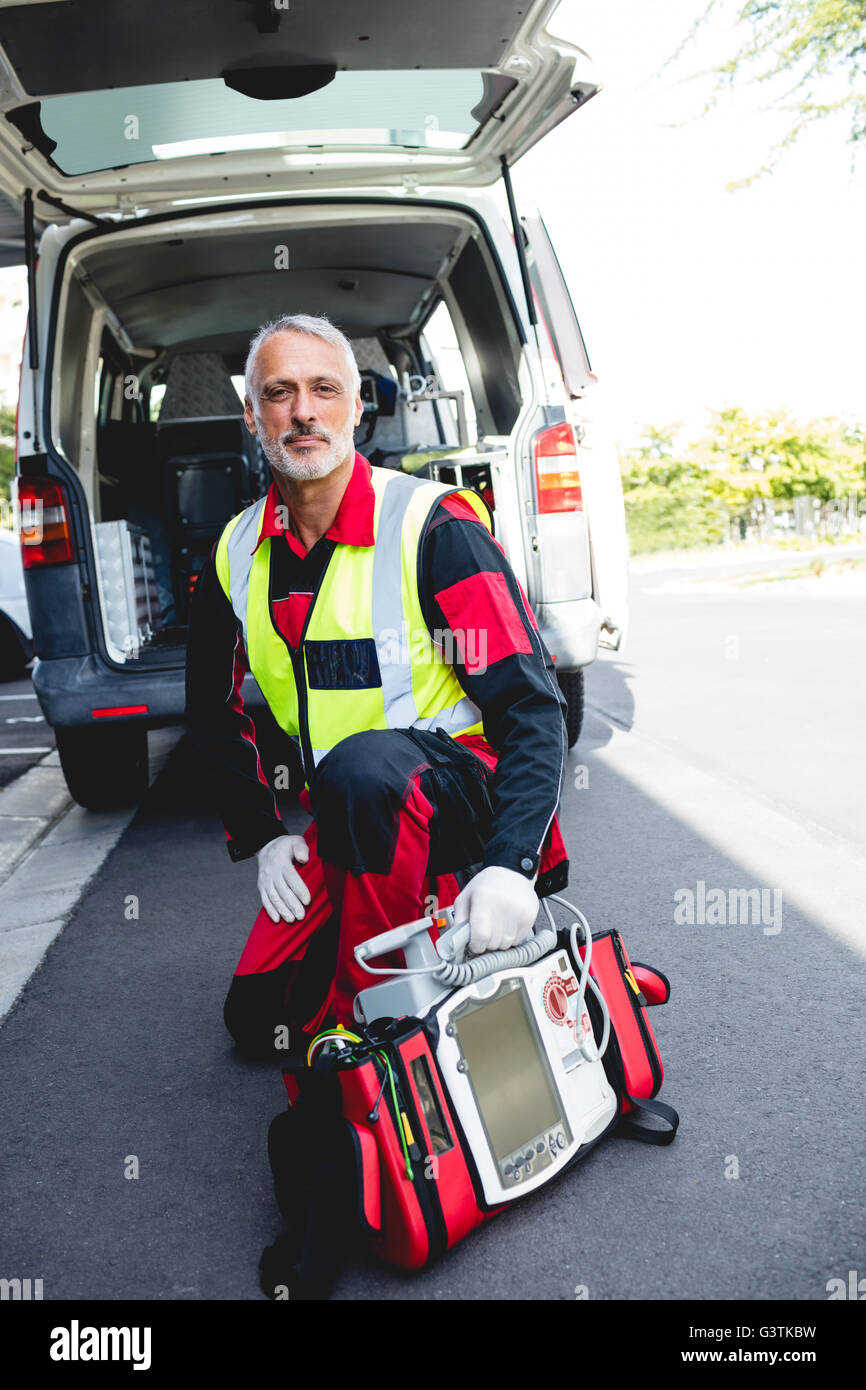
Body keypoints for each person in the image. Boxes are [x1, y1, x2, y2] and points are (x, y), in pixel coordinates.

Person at [184, 313, 570, 1062]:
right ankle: (415, 962)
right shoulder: (235, 552)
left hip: (462, 795)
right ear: (252, 416)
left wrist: (511, 864)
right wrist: (263, 836)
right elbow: (209, 710)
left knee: (362, 776)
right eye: (280, 392)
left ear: (357, 408)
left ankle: (381, 1022)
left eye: (325, 389)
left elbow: (531, 707)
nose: (303, 411)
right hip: (354, 809)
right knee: (257, 1018)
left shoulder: (432, 528)